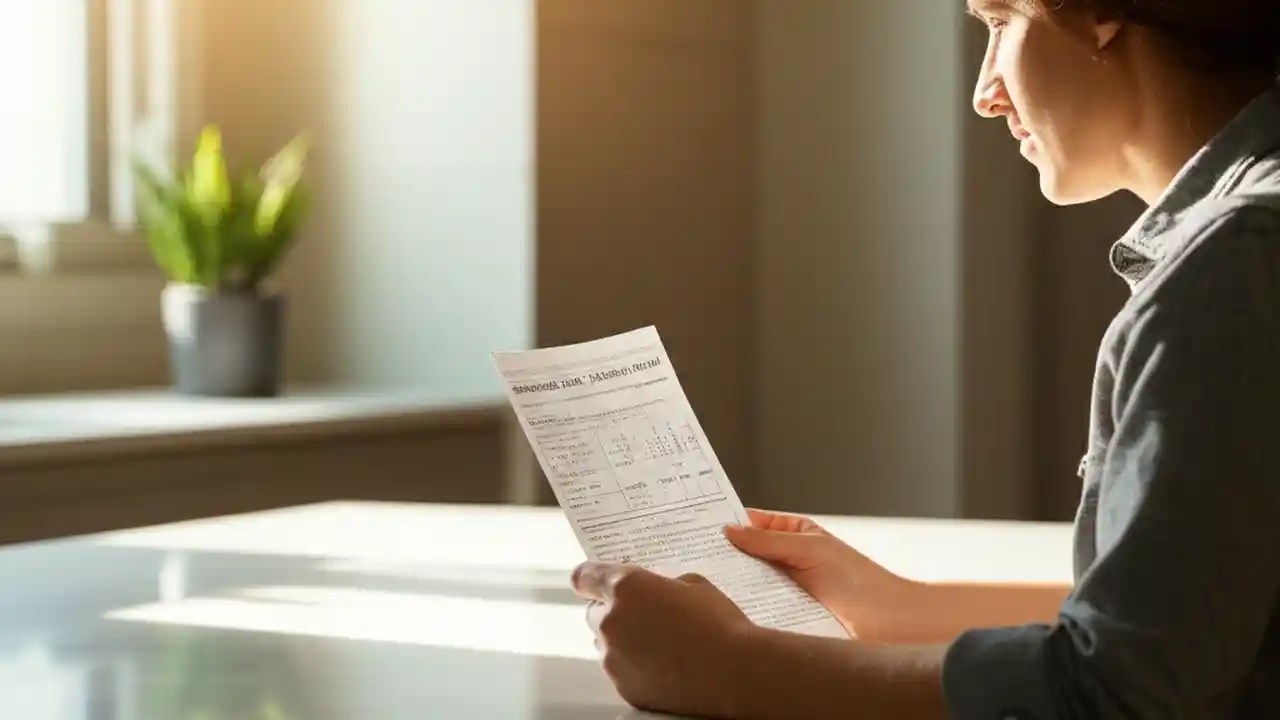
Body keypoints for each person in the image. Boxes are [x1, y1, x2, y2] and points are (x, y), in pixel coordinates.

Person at [571, 0, 1280, 717]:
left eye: (999, 22)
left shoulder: (1235, 266)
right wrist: (903, 605)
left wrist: (734, 667)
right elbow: (1200, 611)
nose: (984, 94)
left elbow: (1115, 691)